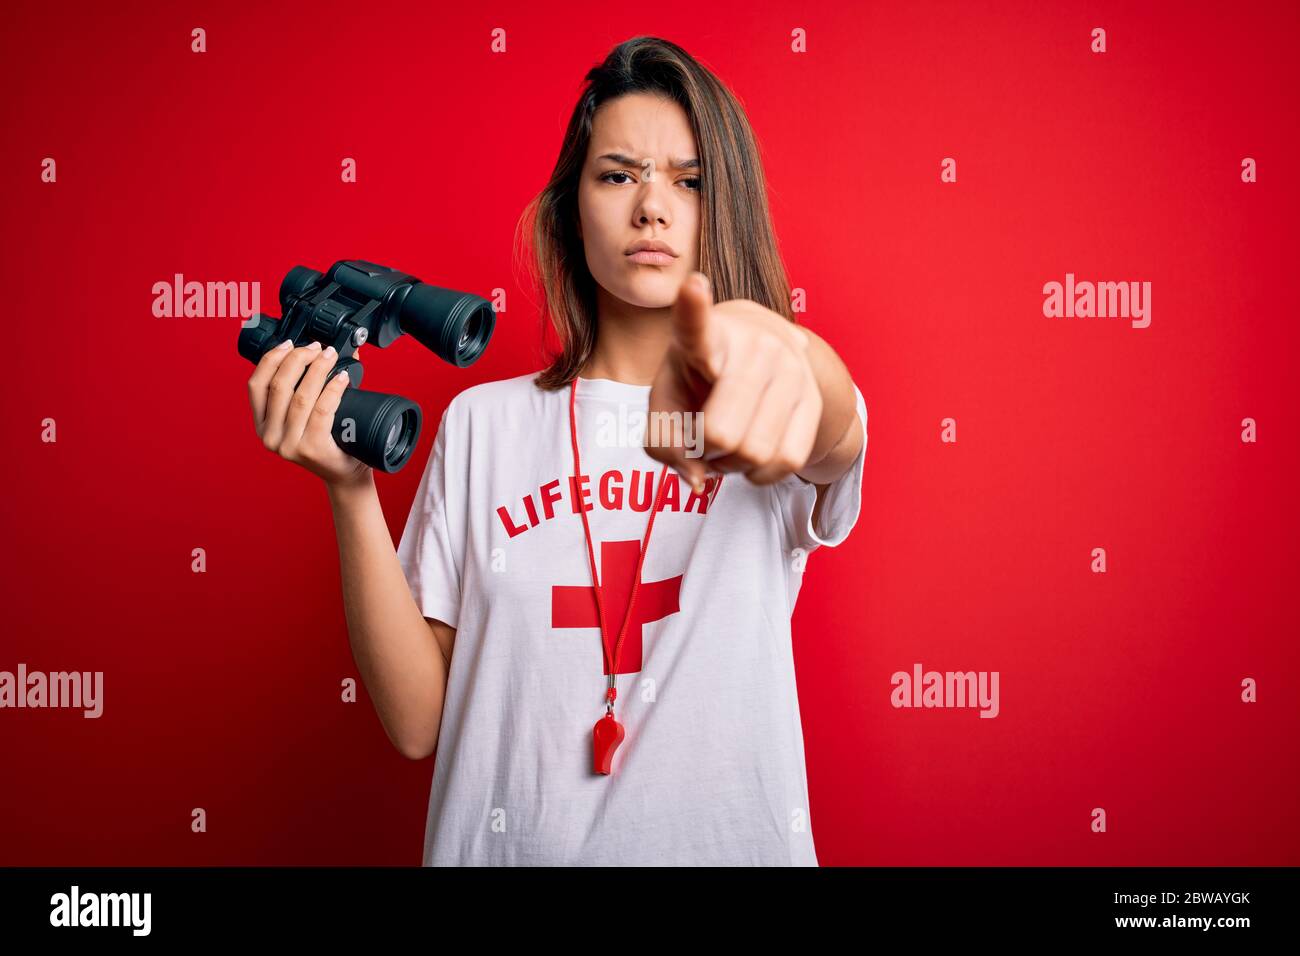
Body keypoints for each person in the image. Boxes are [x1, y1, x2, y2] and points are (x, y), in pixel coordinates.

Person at [246, 36, 868, 866]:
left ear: (729, 209)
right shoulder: (481, 424)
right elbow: (416, 720)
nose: (653, 207)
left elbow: (831, 426)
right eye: (618, 175)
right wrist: (349, 488)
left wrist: (787, 354)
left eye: (691, 181)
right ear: (572, 210)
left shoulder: (765, 396)